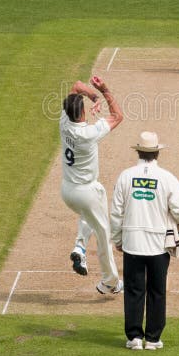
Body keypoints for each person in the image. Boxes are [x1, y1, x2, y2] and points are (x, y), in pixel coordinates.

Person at [110, 131, 179, 350]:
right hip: (158, 244)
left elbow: (116, 212)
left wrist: (118, 238)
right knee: (157, 290)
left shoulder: (126, 176)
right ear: (156, 153)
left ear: (138, 152)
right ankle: (153, 339)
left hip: (133, 242)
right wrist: (177, 219)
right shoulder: (167, 178)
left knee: (134, 290)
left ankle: (134, 337)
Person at [60, 76, 124, 294]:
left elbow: (76, 86)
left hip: (67, 190)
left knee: (92, 208)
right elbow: (118, 116)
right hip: (85, 192)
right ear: (83, 113)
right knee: (104, 233)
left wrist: (91, 96)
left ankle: (79, 247)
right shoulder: (88, 134)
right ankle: (110, 281)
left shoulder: (63, 121)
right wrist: (103, 90)